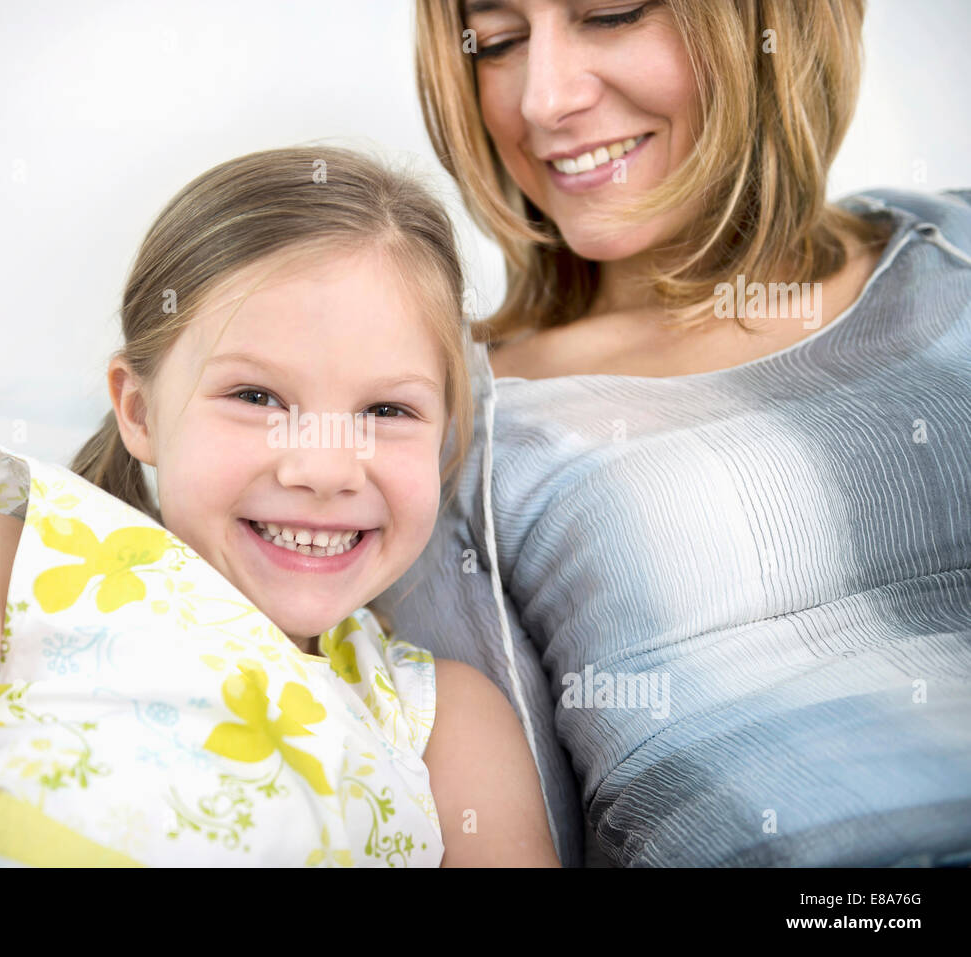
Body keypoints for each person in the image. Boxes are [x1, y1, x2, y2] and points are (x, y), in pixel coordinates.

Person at [0, 145, 560, 867]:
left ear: (447, 438)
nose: (324, 470)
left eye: (386, 412)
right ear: (139, 410)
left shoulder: (443, 718)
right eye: (256, 397)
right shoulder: (11, 560)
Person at [369, 0, 971, 866]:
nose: (543, 100)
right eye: (498, 42)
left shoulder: (949, 247)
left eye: (611, 14)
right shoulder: (451, 424)